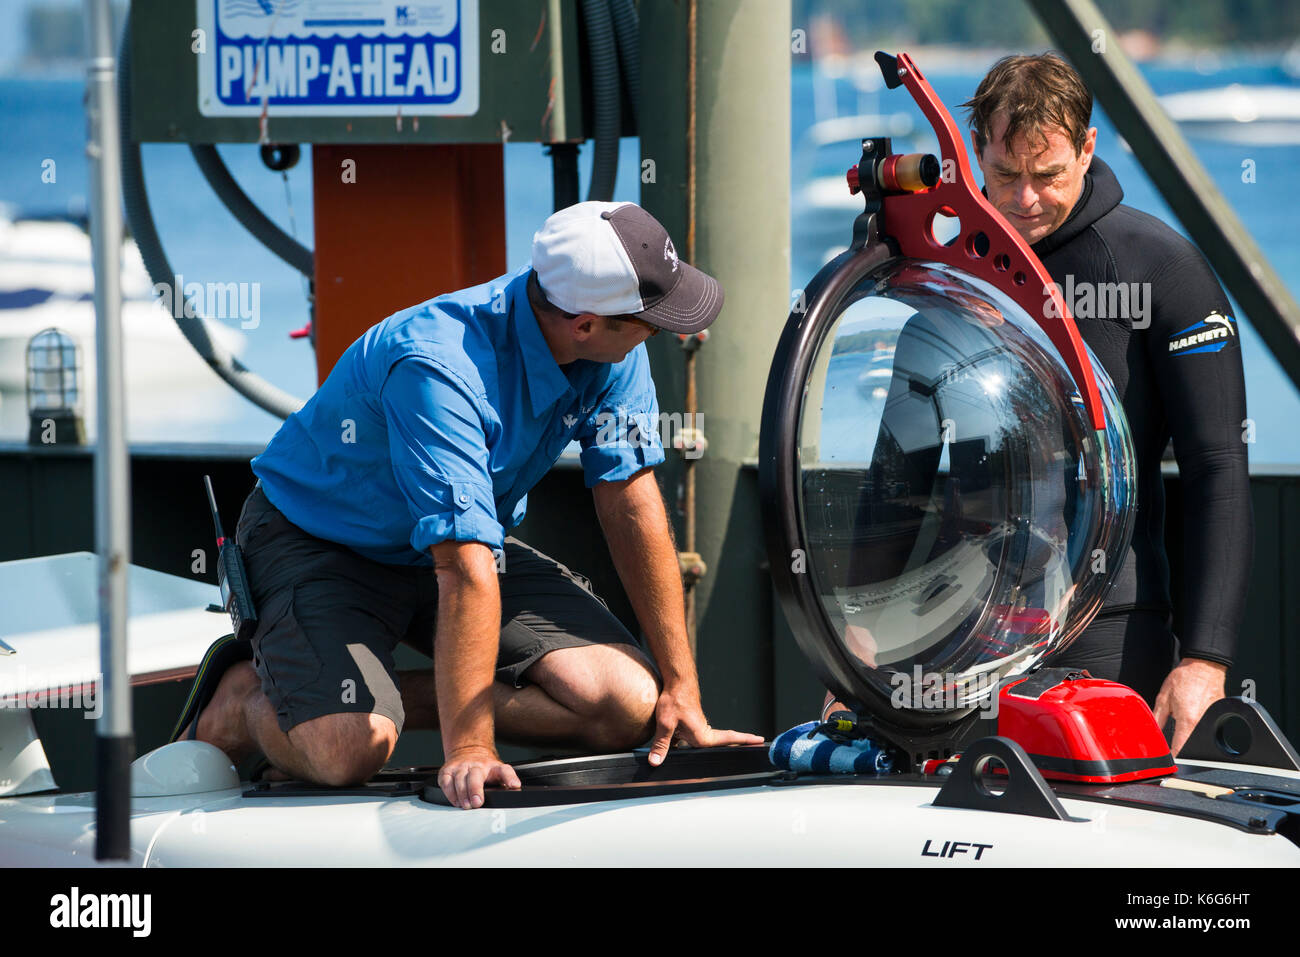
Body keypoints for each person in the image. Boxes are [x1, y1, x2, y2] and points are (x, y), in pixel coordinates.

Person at [176, 201, 762, 809]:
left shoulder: (612, 344)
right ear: (584, 324)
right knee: (348, 747)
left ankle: (369, 693)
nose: (666, 331)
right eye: (652, 321)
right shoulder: (437, 365)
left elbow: (631, 502)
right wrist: (472, 748)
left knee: (627, 704)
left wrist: (682, 687)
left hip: (453, 545)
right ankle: (250, 702)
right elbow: (464, 567)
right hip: (319, 541)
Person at [822, 53, 1252, 756]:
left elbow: (1218, 470)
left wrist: (1204, 658)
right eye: (1004, 177)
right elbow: (896, 473)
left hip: (1111, 631)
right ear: (975, 159)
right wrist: (859, 644)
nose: (1024, 200)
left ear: (1087, 148)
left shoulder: (1160, 269)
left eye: (1047, 175)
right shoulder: (947, 274)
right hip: (956, 630)